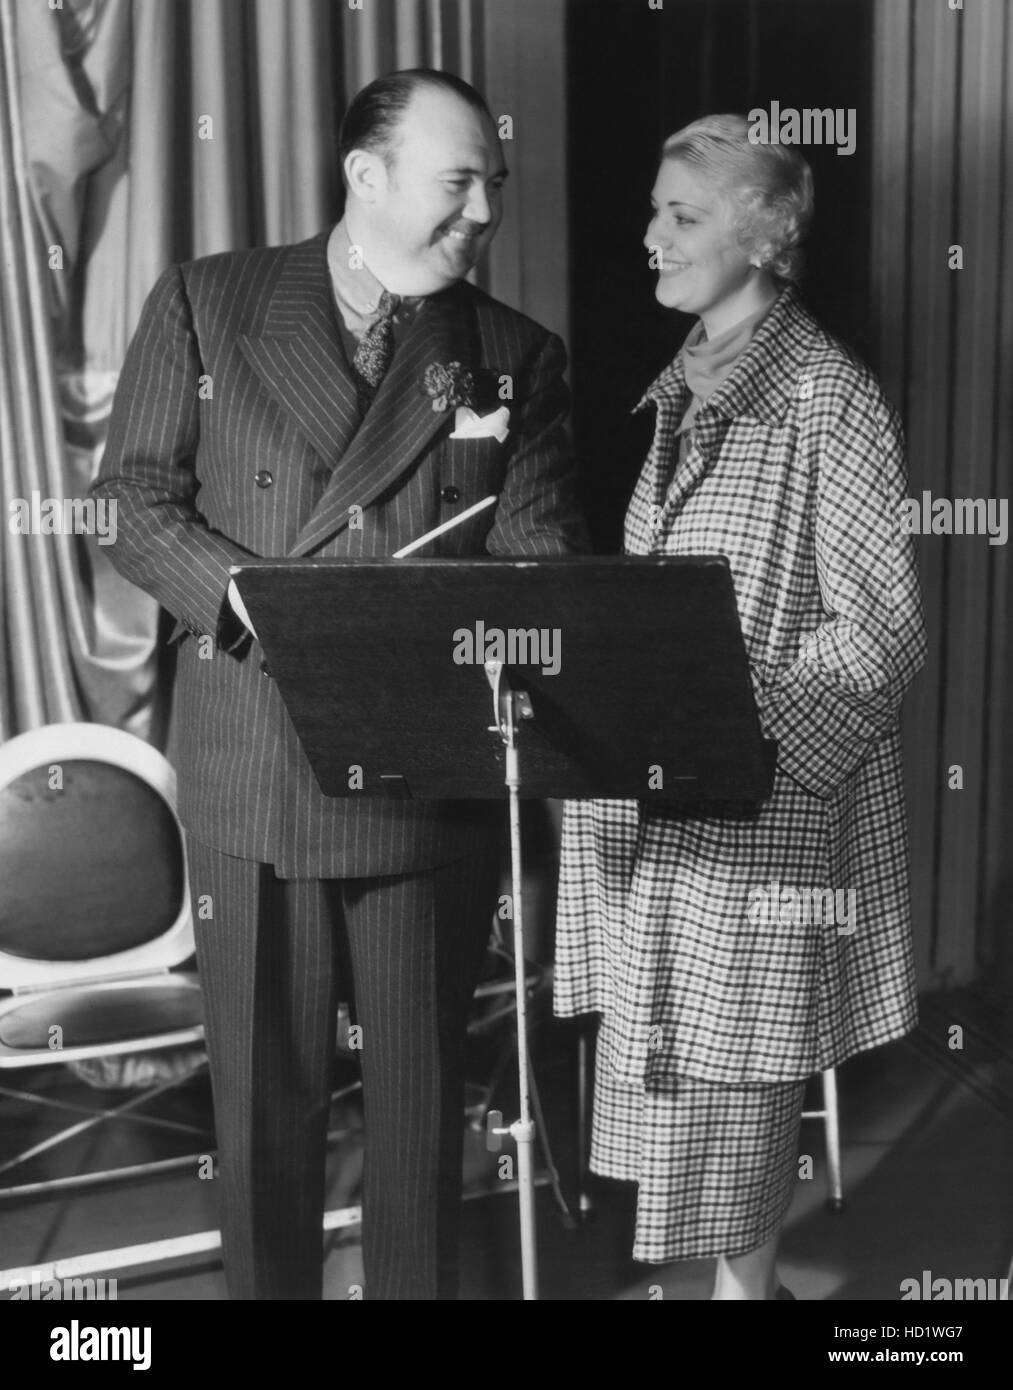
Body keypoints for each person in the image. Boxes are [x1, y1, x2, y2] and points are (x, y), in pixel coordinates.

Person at [93, 68, 586, 1301]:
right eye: (456, 181)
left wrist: (435, 625)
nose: (482, 211)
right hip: (255, 764)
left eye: (493, 185)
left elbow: (537, 570)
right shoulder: (209, 304)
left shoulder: (513, 356)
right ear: (365, 176)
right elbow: (133, 505)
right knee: (265, 1125)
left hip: (425, 790)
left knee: (421, 1125)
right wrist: (256, 597)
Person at [552, 114, 926, 1300]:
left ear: (764, 239)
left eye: (683, 215)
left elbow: (880, 632)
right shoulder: (680, 392)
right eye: (655, 209)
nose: (650, 235)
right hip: (652, 823)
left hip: (749, 822)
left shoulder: (827, 396)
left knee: (731, 1112)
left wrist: (732, 733)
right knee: (668, 1109)